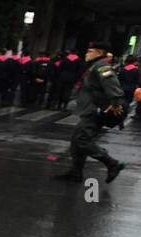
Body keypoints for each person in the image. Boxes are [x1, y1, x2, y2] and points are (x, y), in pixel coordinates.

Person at [54, 39, 126, 183]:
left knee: (82, 140)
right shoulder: (95, 66)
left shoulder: (102, 67)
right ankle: (76, 172)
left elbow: (113, 86)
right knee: (76, 141)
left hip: (95, 110)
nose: (86, 53)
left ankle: (112, 163)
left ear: (99, 52)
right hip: (88, 108)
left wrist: (116, 103)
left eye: (90, 51)